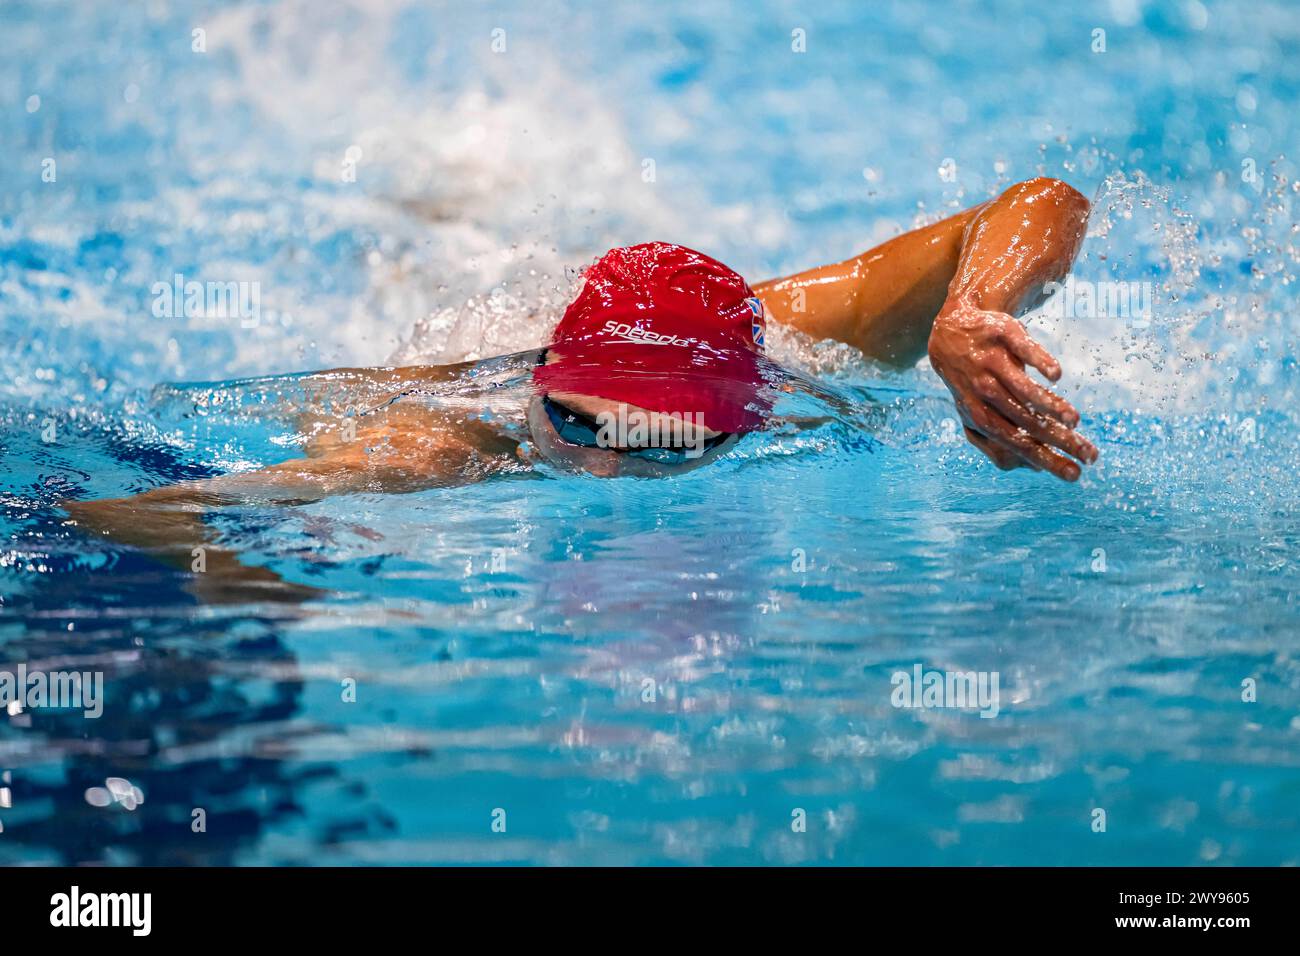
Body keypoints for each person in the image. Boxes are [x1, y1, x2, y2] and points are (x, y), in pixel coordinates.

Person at [63, 177, 1098, 602]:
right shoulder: (454, 436)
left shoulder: (806, 336)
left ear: (749, 417)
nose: (600, 468)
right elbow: (137, 508)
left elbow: (1044, 200)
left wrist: (968, 311)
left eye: (655, 440)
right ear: (544, 390)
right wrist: (229, 569)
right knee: (418, 260)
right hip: (464, 338)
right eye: (576, 423)